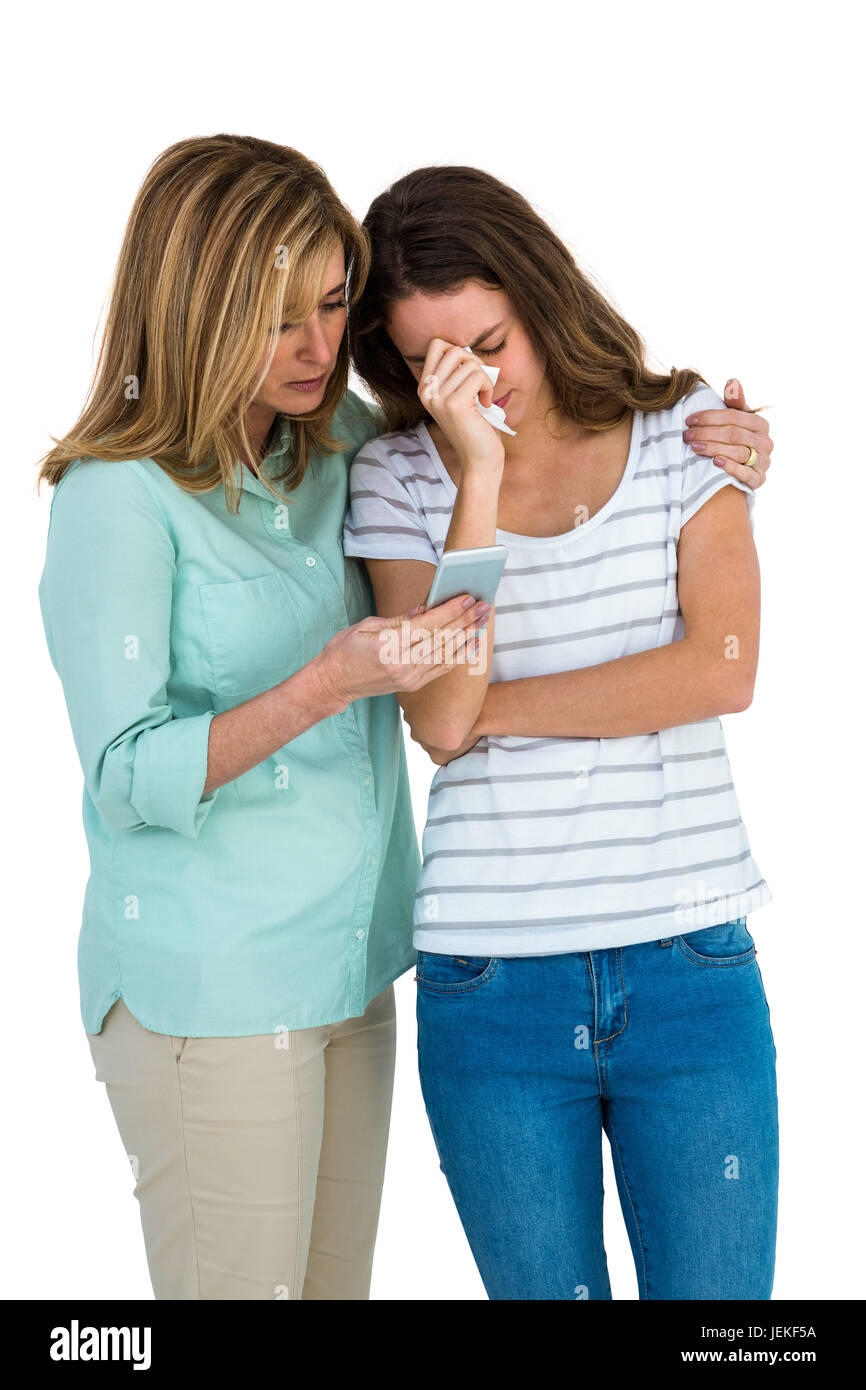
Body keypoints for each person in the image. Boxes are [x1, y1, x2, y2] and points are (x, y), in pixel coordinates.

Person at [36, 134, 486, 1300]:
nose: (317, 347)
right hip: (214, 998)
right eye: (275, 316)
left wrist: (689, 435)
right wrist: (322, 683)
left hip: (350, 974)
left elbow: (518, 444)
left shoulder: (341, 443)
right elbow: (126, 773)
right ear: (195, 309)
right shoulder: (114, 500)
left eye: (334, 304)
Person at [342, 164, 777, 1299]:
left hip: (686, 962)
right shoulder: (393, 477)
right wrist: (474, 479)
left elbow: (721, 671)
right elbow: (437, 719)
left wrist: (500, 711)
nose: (479, 384)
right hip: (491, 986)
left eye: (491, 341)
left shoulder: (687, 432)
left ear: (536, 294)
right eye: (440, 365)